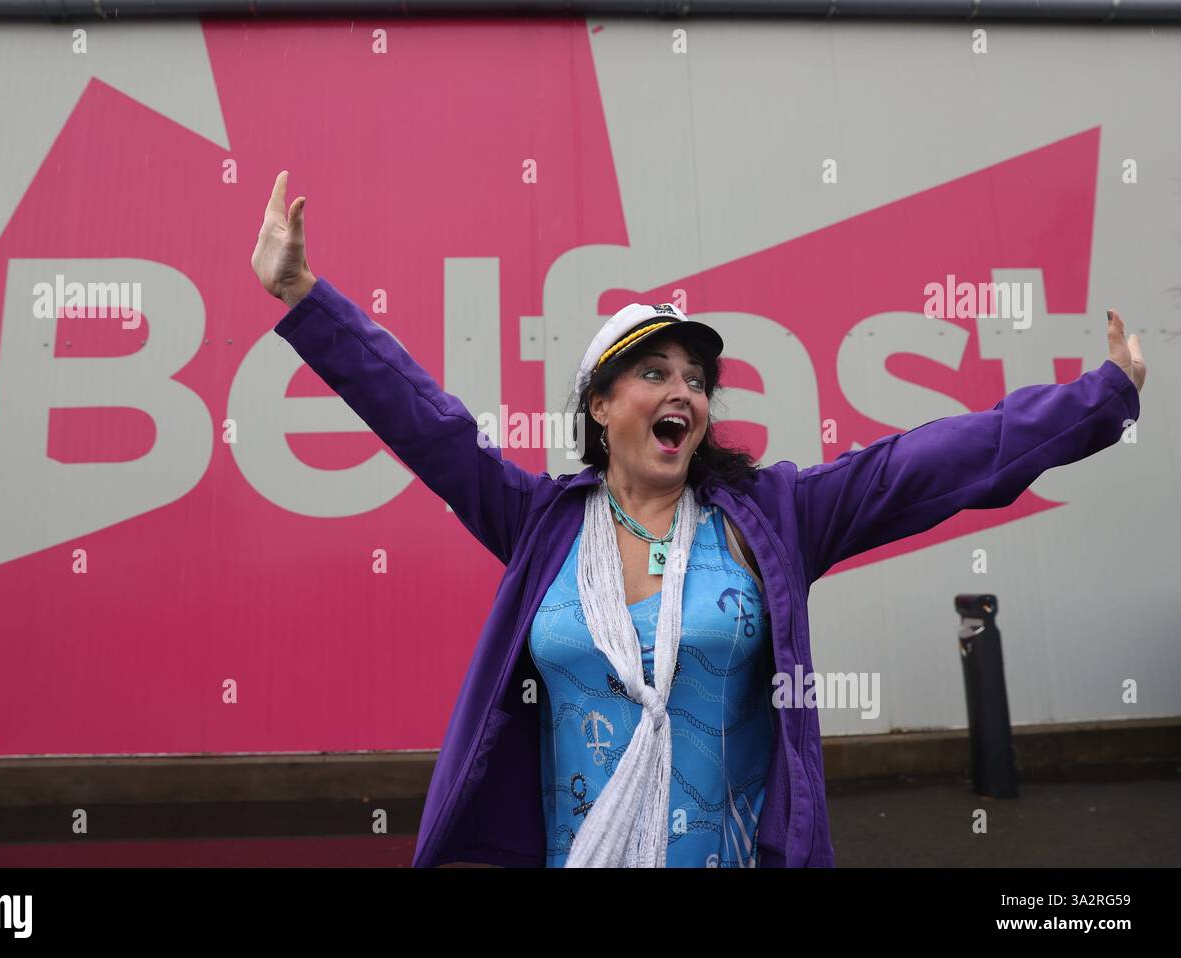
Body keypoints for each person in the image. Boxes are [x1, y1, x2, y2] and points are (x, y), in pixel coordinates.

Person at [252, 170, 1146, 867]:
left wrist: (1097, 403)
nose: (683, 389)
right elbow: (424, 422)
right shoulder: (540, 525)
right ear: (600, 408)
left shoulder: (772, 519)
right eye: (654, 373)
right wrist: (305, 296)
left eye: (696, 379)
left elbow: (928, 464)